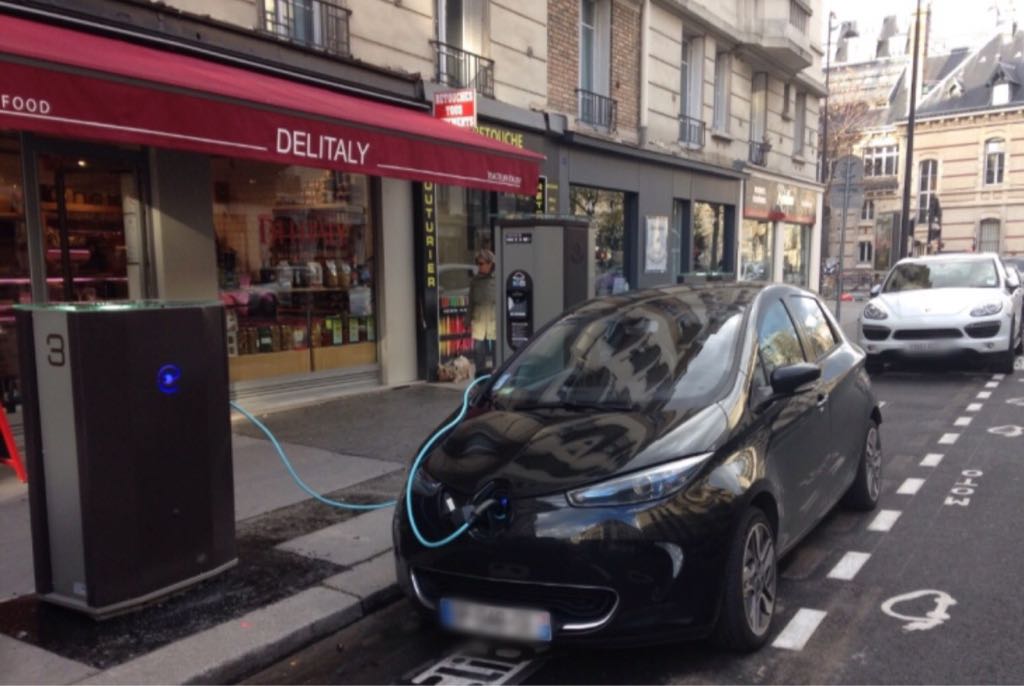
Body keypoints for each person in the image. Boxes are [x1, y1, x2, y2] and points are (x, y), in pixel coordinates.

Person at [469, 248, 497, 373]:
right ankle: (479, 379)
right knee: (478, 352)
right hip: (479, 322)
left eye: (481, 264)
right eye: (478, 264)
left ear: (490, 263)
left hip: (494, 322)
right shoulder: (475, 281)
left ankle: (497, 377)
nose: (479, 267)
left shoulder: (497, 279)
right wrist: (467, 320)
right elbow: (471, 302)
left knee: (497, 352)